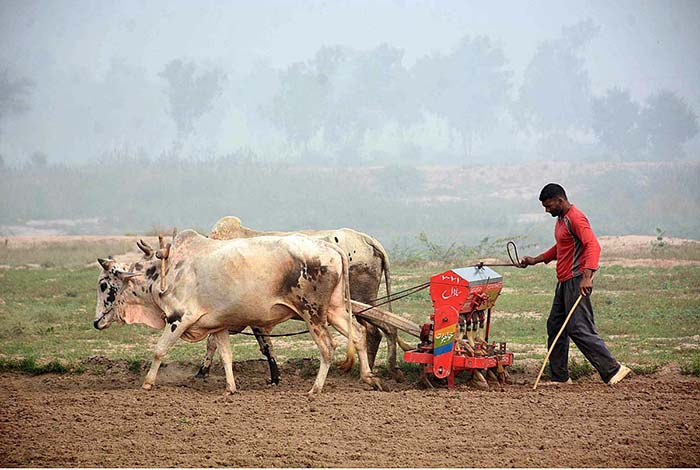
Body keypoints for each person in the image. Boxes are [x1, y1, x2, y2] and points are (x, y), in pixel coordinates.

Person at [520, 183, 631, 385]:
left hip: (576, 280)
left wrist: (587, 277)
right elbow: (561, 247)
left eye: (548, 206)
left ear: (560, 200)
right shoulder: (562, 220)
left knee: (578, 328)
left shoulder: (575, 218)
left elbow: (593, 245)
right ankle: (560, 377)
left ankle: (613, 369)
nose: (546, 210)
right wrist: (535, 260)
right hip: (563, 282)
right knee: (555, 326)